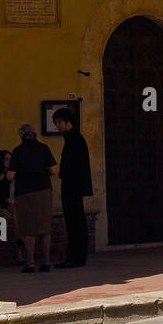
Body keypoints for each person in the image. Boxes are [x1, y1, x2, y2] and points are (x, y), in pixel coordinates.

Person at [8, 123, 57, 273]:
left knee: (29, 228)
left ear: (22, 136)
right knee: (44, 227)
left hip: (24, 192)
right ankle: (46, 262)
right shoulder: (44, 148)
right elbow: (54, 170)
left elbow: (10, 175)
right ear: (35, 134)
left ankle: (30, 263)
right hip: (44, 189)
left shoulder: (18, 151)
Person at [52, 108, 93, 269]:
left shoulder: (74, 140)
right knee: (75, 221)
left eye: (59, 122)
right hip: (73, 186)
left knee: (75, 222)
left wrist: (64, 176)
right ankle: (77, 256)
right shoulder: (74, 139)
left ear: (67, 122)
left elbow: (74, 166)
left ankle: (76, 257)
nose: (57, 126)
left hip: (72, 187)